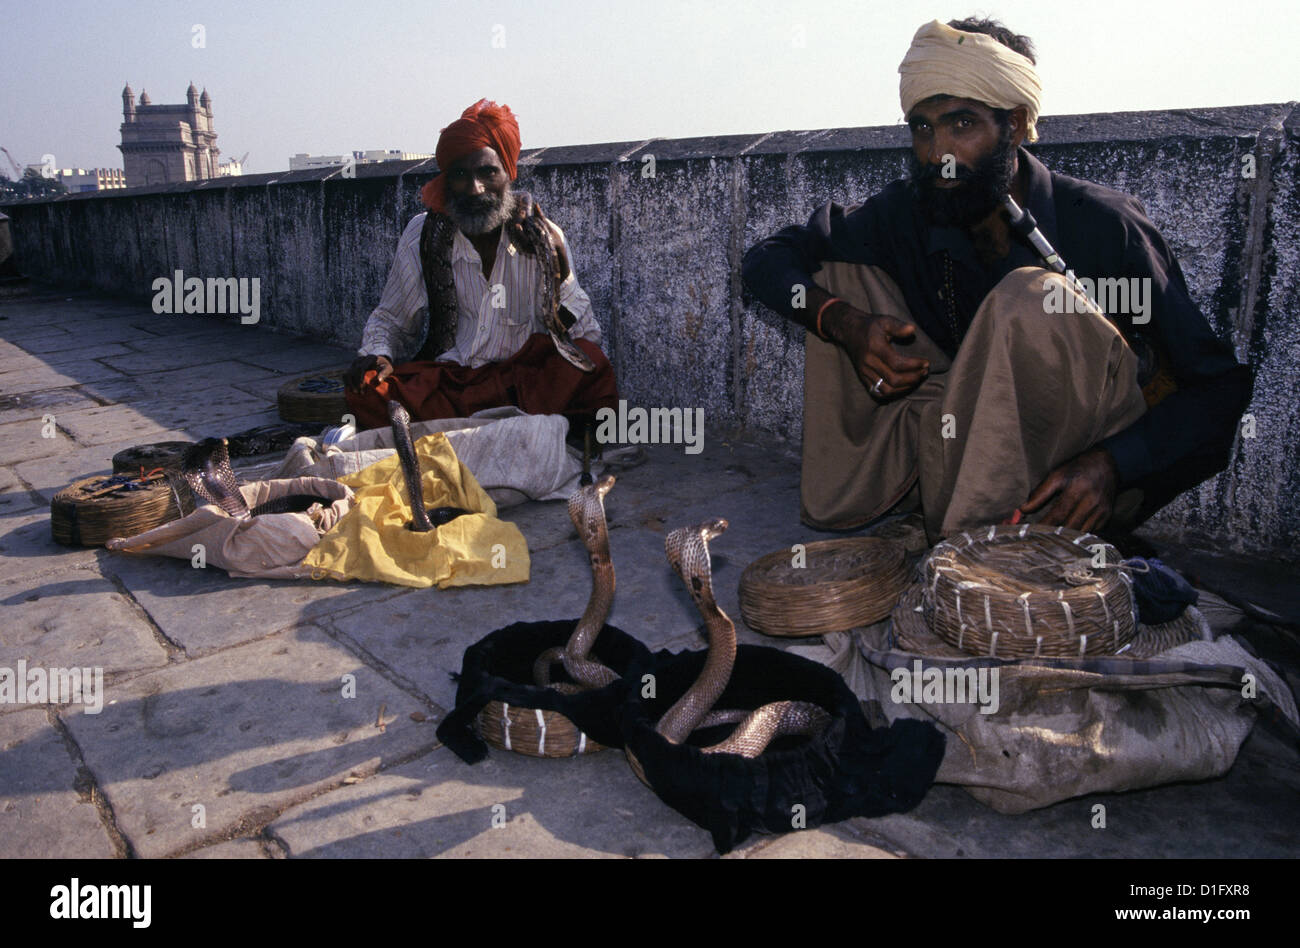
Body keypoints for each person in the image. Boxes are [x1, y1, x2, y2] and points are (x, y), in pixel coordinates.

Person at [741, 17, 1253, 544]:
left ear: (1014, 123)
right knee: (833, 277)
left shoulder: (1104, 225)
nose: (939, 153)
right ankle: (912, 496)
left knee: (1032, 296)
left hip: (1082, 482)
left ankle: (980, 553)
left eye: (961, 125)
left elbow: (1216, 391)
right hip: (969, 442)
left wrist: (1113, 465)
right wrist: (842, 321)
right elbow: (766, 259)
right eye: (923, 127)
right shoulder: (910, 210)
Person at [344, 99, 618, 431]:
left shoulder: (544, 236)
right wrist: (378, 353)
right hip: (453, 380)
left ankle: (469, 432)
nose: (475, 189)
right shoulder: (423, 233)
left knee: (592, 367)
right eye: (460, 175)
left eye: (487, 172)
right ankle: (508, 432)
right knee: (369, 390)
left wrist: (559, 264)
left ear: (508, 174)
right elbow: (392, 317)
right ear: (447, 182)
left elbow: (586, 337)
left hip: (521, 382)